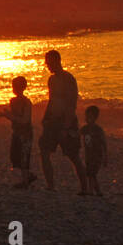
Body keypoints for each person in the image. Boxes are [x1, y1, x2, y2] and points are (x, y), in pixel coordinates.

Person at [38, 49, 88, 193]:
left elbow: (71, 104)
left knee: (73, 155)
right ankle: (51, 186)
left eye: (49, 62)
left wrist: (66, 126)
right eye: (46, 63)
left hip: (66, 121)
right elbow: (51, 100)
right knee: (44, 151)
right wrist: (46, 117)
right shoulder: (51, 80)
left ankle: (85, 188)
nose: (47, 65)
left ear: (57, 61)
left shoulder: (68, 79)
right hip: (52, 121)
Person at [0, 76, 36, 189]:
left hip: (25, 133)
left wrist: (9, 116)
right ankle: (27, 176)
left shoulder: (27, 102)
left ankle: (25, 181)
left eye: (15, 86)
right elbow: (14, 116)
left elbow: (24, 120)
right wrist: (6, 114)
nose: (13, 88)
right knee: (15, 157)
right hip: (16, 132)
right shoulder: (13, 101)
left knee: (24, 157)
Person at [80, 105, 108, 196]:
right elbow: (77, 134)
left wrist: (105, 157)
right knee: (90, 173)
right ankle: (98, 191)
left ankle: (91, 191)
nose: (88, 119)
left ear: (95, 118)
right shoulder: (85, 128)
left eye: (90, 117)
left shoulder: (98, 130)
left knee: (92, 173)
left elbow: (104, 143)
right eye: (87, 116)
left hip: (97, 155)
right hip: (88, 155)